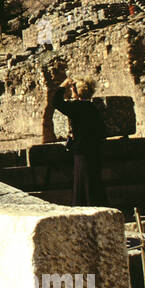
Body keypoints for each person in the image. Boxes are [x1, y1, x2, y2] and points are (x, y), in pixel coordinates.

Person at [51, 77, 108, 206]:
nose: (71, 91)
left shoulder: (77, 106)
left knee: (83, 184)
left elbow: (56, 102)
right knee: (94, 183)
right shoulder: (92, 107)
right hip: (94, 150)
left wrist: (62, 86)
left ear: (78, 91)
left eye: (73, 89)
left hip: (82, 151)